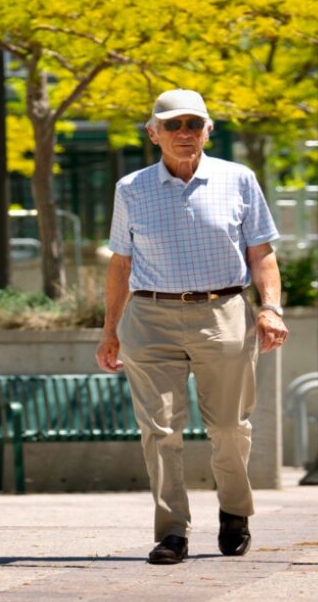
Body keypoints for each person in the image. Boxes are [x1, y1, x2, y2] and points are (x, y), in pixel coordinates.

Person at [95, 89, 289, 565]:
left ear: (208, 130)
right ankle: (172, 532)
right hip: (150, 317)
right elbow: (121, 263)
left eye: (193, 125)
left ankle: (234, 511)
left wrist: (271, 308)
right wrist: (110, 330)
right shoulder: (131, 189)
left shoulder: (238, 179)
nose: (184, 134)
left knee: (228, 427)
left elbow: (261, 253)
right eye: (173, 125)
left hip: (222, 312)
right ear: (153, 133)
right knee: (159, 429)